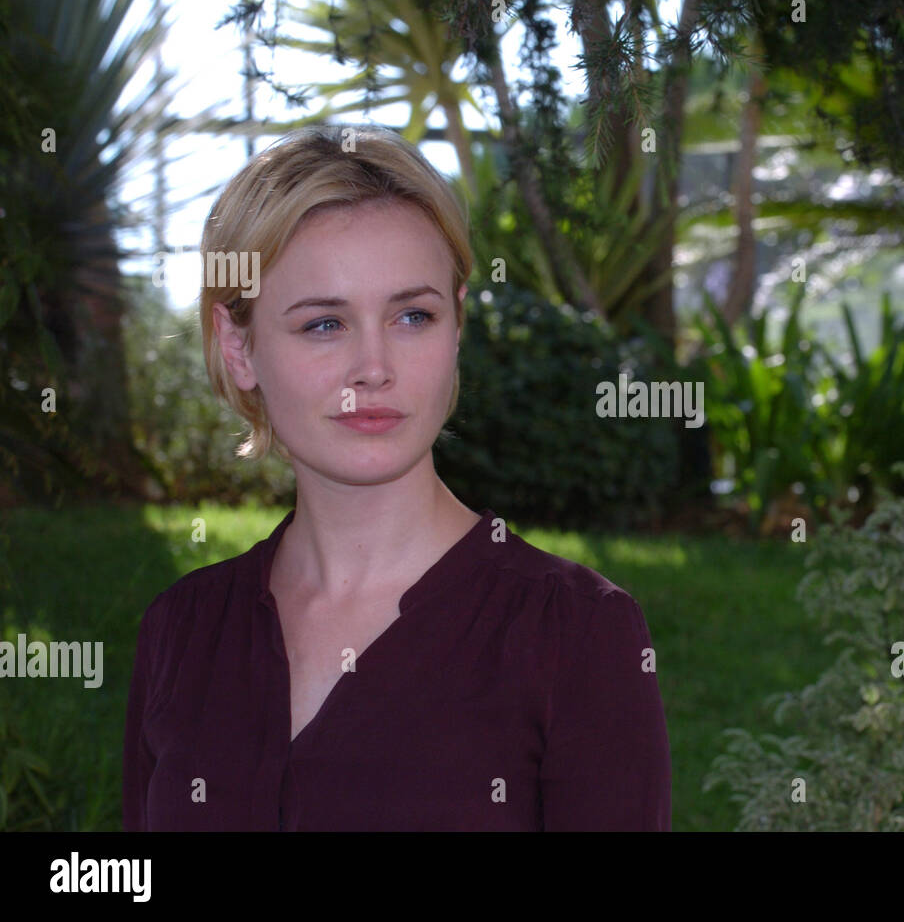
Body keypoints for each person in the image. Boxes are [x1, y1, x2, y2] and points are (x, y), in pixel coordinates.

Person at [122, 125, 672, 831]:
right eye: (324, 324)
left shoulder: (579, 636)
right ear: (239, 348)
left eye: (413, 315)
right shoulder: (181, 630)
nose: (374, 367)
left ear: (457, 327)